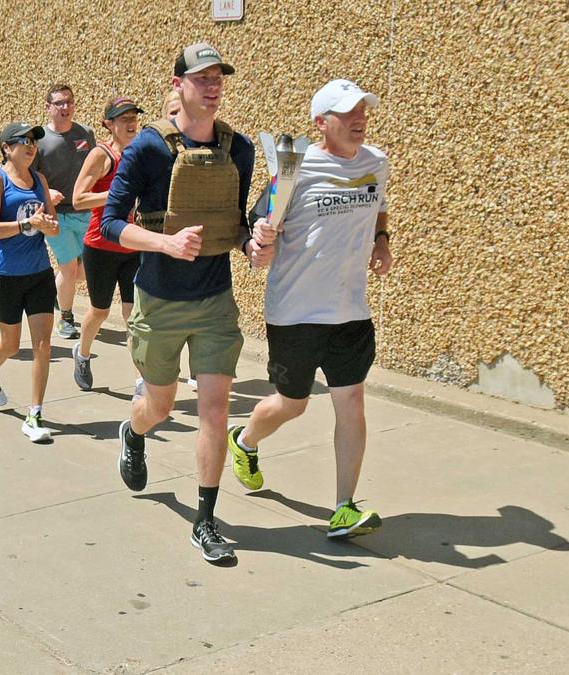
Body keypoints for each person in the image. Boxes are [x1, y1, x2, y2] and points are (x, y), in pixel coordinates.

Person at [102, 43, 272, 563]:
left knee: (215, 412)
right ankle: (133, 432)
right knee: (160, 404)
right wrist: (165, 243)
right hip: (159, 301)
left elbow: (235, 221)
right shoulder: (148, 150)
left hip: (216, 299)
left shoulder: (238, 149)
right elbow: (112, 223)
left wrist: (253, 244)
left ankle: (205, 521)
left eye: (219, 76)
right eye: (201, 77)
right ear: (178, 85)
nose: (213, 85)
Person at [229, 79, 393, 539]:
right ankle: (243, 441)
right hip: (296, 312)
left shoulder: (375, 162)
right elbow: (260, 221)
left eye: (363, 110)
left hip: (350, 311)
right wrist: (259, 242)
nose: (359, 118)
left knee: (352, 402)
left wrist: (382, 241)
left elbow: (379, 207)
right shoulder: (294, 166)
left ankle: (344, 507)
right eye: (348, 112)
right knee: (292, 404)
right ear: (321, 122)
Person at [0, 122, 61, 443]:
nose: (30, 146)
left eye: (33, 142)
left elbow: (53, 228)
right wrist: (27, 222)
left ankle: (34, 414)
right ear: (6, 148)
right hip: (5, 274)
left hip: (38, 273)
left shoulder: (40, 180)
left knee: (43, 345)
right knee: (10, 345)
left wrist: (47, 226)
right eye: (22, 141)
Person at [69, 97, 144, 394]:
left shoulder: (139, 154)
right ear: (108, 124)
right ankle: (83, 354)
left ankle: (142, 381)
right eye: (123, 118)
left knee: (133, 316)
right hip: (101, 246)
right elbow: (77, 199)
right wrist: (115, 194)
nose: (130, 123)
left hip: (133, 246)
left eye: (133, 117)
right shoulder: (101, 156)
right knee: (99, 311)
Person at [34, 84, 97, 340]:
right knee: (69, 268)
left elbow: (95, 168)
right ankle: (66, 318)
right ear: (48, 108)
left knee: (92, 267)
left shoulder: (86, 133)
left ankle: (56, 290)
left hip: (86, 212)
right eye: (59, 103)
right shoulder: (40, 141)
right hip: (56, 215)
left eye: (69, 102)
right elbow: (30, 176)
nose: (65, 107)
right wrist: (46, 194)